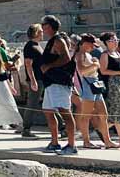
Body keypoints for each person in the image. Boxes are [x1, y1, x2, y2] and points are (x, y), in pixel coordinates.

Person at [38, 15, 79, 155]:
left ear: (49, 26)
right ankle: (54, 142)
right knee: (48, 111)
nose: (42, 28)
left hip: (59, 83)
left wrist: (49, 66)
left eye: (43, 25)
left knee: (65, 112)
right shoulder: (53, 40)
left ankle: (71, 145)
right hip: (51, 83)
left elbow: (66, 58)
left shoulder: (58, 40)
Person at [75, 33, 118, 149]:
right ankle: (86, 141)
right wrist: (95, 65)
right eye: (91, 45)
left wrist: (95, 64)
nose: (93, 47)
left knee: (103, 114)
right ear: (84, 43)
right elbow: (82, 71)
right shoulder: (80, 54)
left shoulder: (87, 54)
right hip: (88, 84)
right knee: (86, 115)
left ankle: (107, 141)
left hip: (95, 83)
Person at [97, 32, 120, 148]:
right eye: (112, 40)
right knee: (117, 110)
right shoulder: (105, 55)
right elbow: (103, 71)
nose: (115, 42)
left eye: (116, 40)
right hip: (112, 84)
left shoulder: (117, 54)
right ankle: (102, 129)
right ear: (106, 42)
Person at [18, 24, 46, 139]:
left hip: (42, 79)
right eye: (41, 31)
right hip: (36, 79)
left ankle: (62, 127)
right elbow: (28, 65)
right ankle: (26, 129)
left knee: (48, 103)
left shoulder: (37, 45)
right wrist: (33, 81)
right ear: (36, 33)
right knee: (32, 104)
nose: (43, 33)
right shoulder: (30, 46)